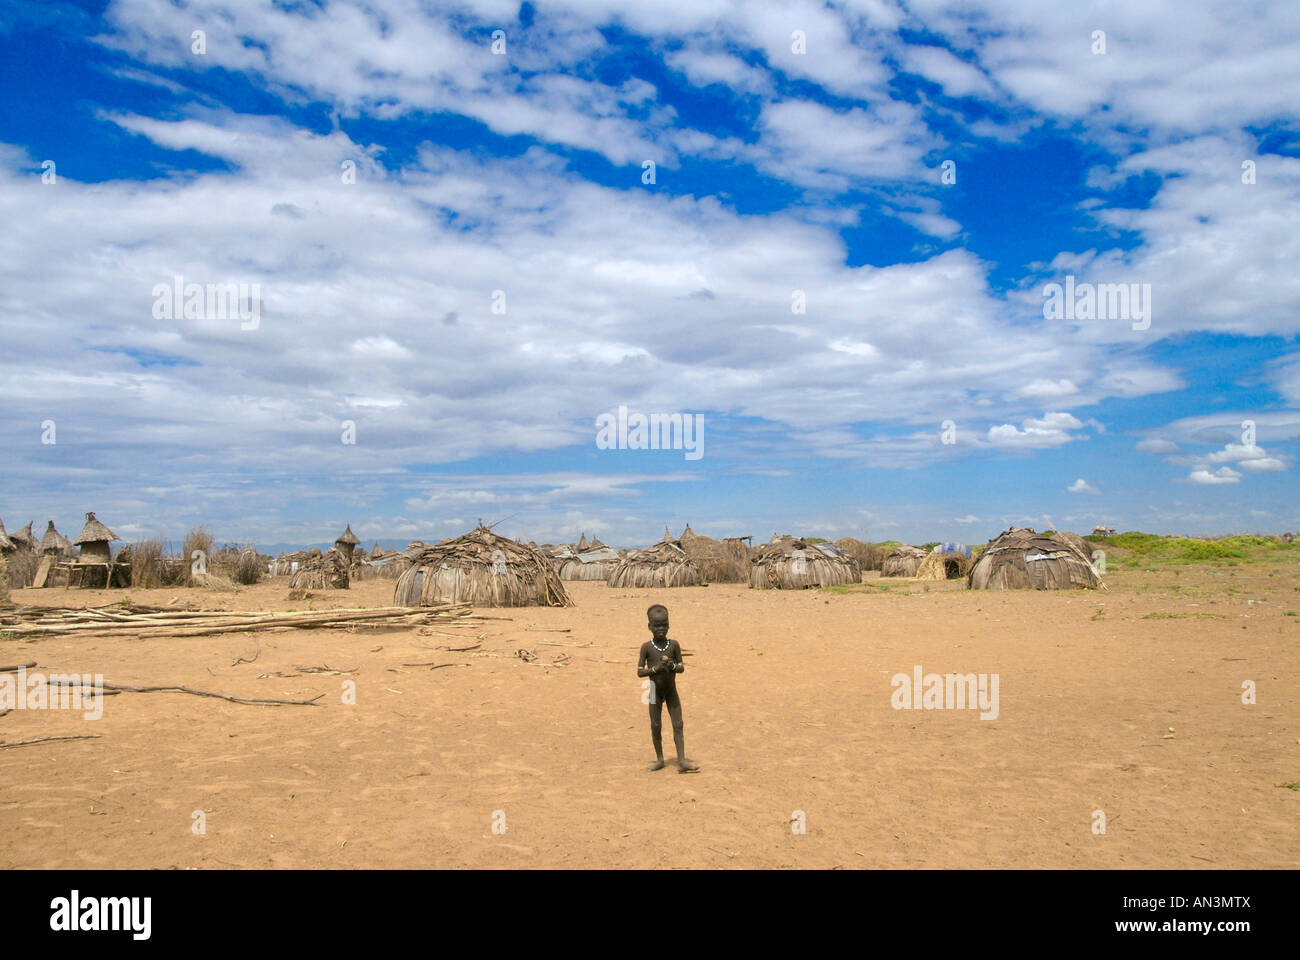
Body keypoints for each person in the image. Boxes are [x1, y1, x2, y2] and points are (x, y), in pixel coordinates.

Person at [636, 603, 699, 773]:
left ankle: (681, 760)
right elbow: (640, 672)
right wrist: (655, 669)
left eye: (664, 625)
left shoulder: (674, 645)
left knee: (678, 724)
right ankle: (659, 759)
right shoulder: (646, 647)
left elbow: (681, 668)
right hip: (652, 691)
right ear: (649, 626)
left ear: (669, 625)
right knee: (655, 725)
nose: (660, 629)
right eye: (656, 626)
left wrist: (671, 665)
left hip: (671, 690)